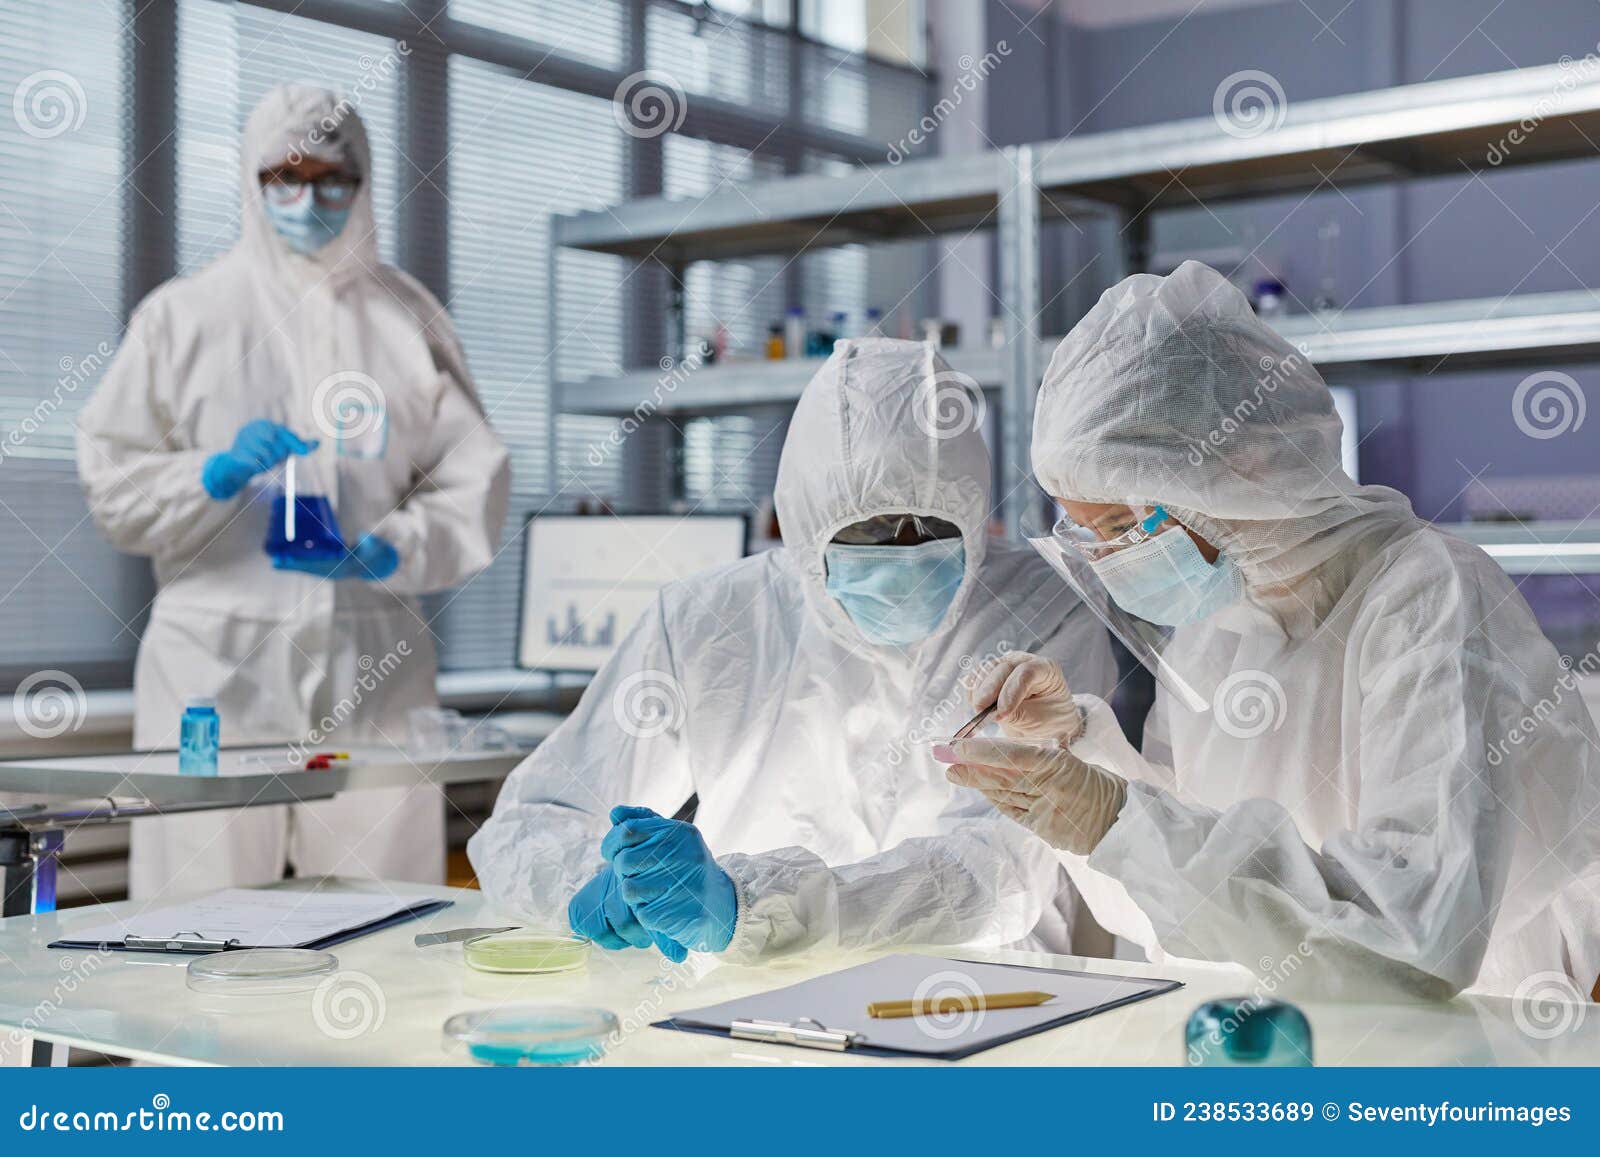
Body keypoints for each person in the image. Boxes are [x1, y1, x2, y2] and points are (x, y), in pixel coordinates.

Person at [938, 261, 1600, 999]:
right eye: (1093, 537)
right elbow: (1180, 911)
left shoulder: (1425, 596)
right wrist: (1085, 760)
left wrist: (1117, 819)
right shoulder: (1215, 625)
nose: (1119, 560)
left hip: (1471, 1043)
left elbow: (1409, 942)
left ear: (1239, 464)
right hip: (1273, 1035)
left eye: (1125, 524)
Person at [470, 338, 1114, 962]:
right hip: (743, 987)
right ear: (804, 523)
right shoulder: (709, 618)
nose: (903, 550)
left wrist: (752, 906)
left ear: (975, 515)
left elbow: (998, 870)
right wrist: (600, 884)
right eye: (865, 528)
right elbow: (535, 817)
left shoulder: (1045, 610)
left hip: (979, 989)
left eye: (932, 527)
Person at [76, 85, 511, 898]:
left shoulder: (406, 319)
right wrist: (207, 474)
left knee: (385, 912)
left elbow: (473, 473)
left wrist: (394, 547)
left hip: (372, 653)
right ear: (254, 178)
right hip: (212, 663)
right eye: (286, 174)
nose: (307, 196)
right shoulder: (184, 317)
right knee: (194, 911)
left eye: (330, 177)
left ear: (364, 178)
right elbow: (110, 481)